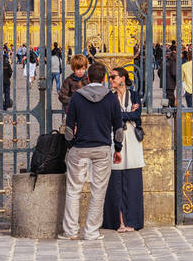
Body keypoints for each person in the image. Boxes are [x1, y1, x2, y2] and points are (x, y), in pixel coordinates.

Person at [61, 61, 123, 240]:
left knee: (73, 190)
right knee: (98, 192)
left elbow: (69, 126)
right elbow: (118, 128)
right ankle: (91, 231)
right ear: (104, 78)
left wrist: (70, 145)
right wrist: (117, 149)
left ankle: (71, 231)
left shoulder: (77, 98)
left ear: (88, 78)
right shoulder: (111, 98)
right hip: (102, 148)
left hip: (80, 148)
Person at [102, 67, 144, 233]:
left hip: (132, 139)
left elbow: (137, 115)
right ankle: (119, 221)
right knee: (116, 180)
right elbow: (110, 117)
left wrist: (121, 115)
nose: (111, 80)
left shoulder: (134, 95)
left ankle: (132, 220)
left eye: (113, 77)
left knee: (133, 180)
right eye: (110, 77)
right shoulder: (109, 97)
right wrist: (127, 114)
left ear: (123, 78)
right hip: (116, 138)